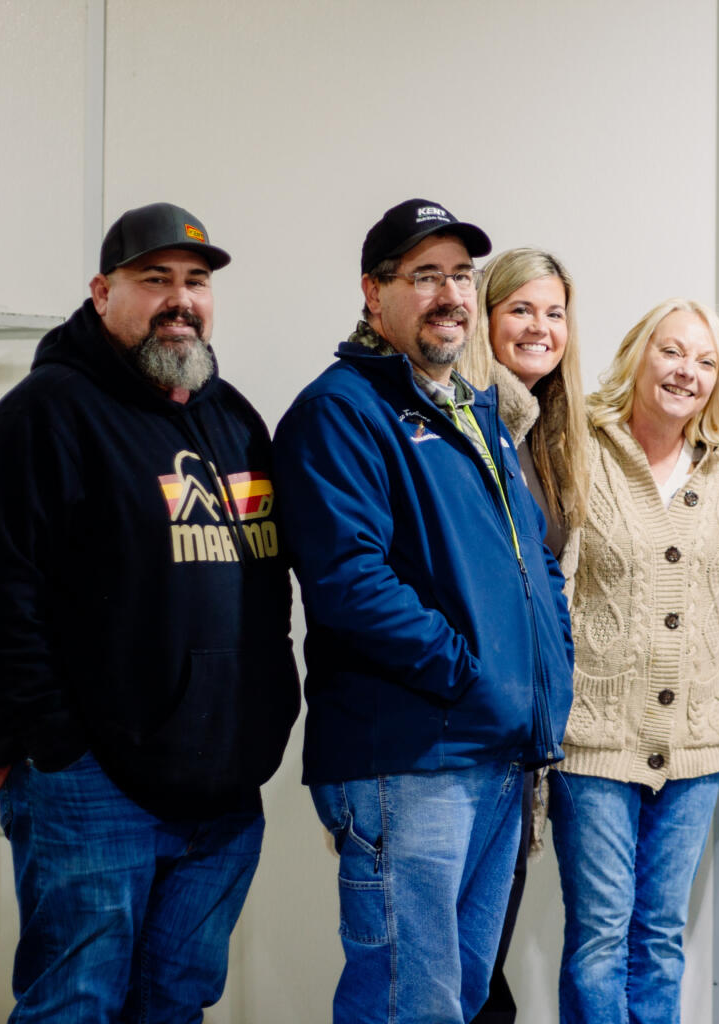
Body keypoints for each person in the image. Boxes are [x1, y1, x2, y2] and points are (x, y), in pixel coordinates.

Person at [0, 202, 299, 1021]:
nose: (180, 299)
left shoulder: (233, 420)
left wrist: (262, 723)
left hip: (223, 793)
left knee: (175, 1003)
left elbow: (267, 594)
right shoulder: (45, 413)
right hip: (92, 786)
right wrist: (43, 743)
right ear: (101, 291)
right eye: (153, 279)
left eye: (196, 282)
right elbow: (0, 586)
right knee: (75, 1005)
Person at [272, 198, 573, 1024]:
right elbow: (349, 584)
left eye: (462, 276)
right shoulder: (341, 411)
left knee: (462, 999)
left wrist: (554, 668)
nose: (450, 294)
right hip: (410, 759)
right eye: (425, 276)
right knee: (410, 999)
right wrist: (469, 673)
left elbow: (535, 561)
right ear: (374, 293)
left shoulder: (475, 411)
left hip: (494, 753)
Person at [550, 297, 719, 1024]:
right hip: (596, 739)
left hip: (696, 742)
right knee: (601, 939)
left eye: (705, 362)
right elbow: (549, 582)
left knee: (661, 936)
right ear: (639, 355)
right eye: (671, 352)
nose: (686, 372)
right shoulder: (578, 443)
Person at [458, 248, 592, 1024]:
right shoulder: (465, 417)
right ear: (483, 315)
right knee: (451, 976)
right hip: (467, 736)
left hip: (519, 747)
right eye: (521, 310)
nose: (540, 328)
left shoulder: (544, 431)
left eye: (555, 313)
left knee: (481, 966)